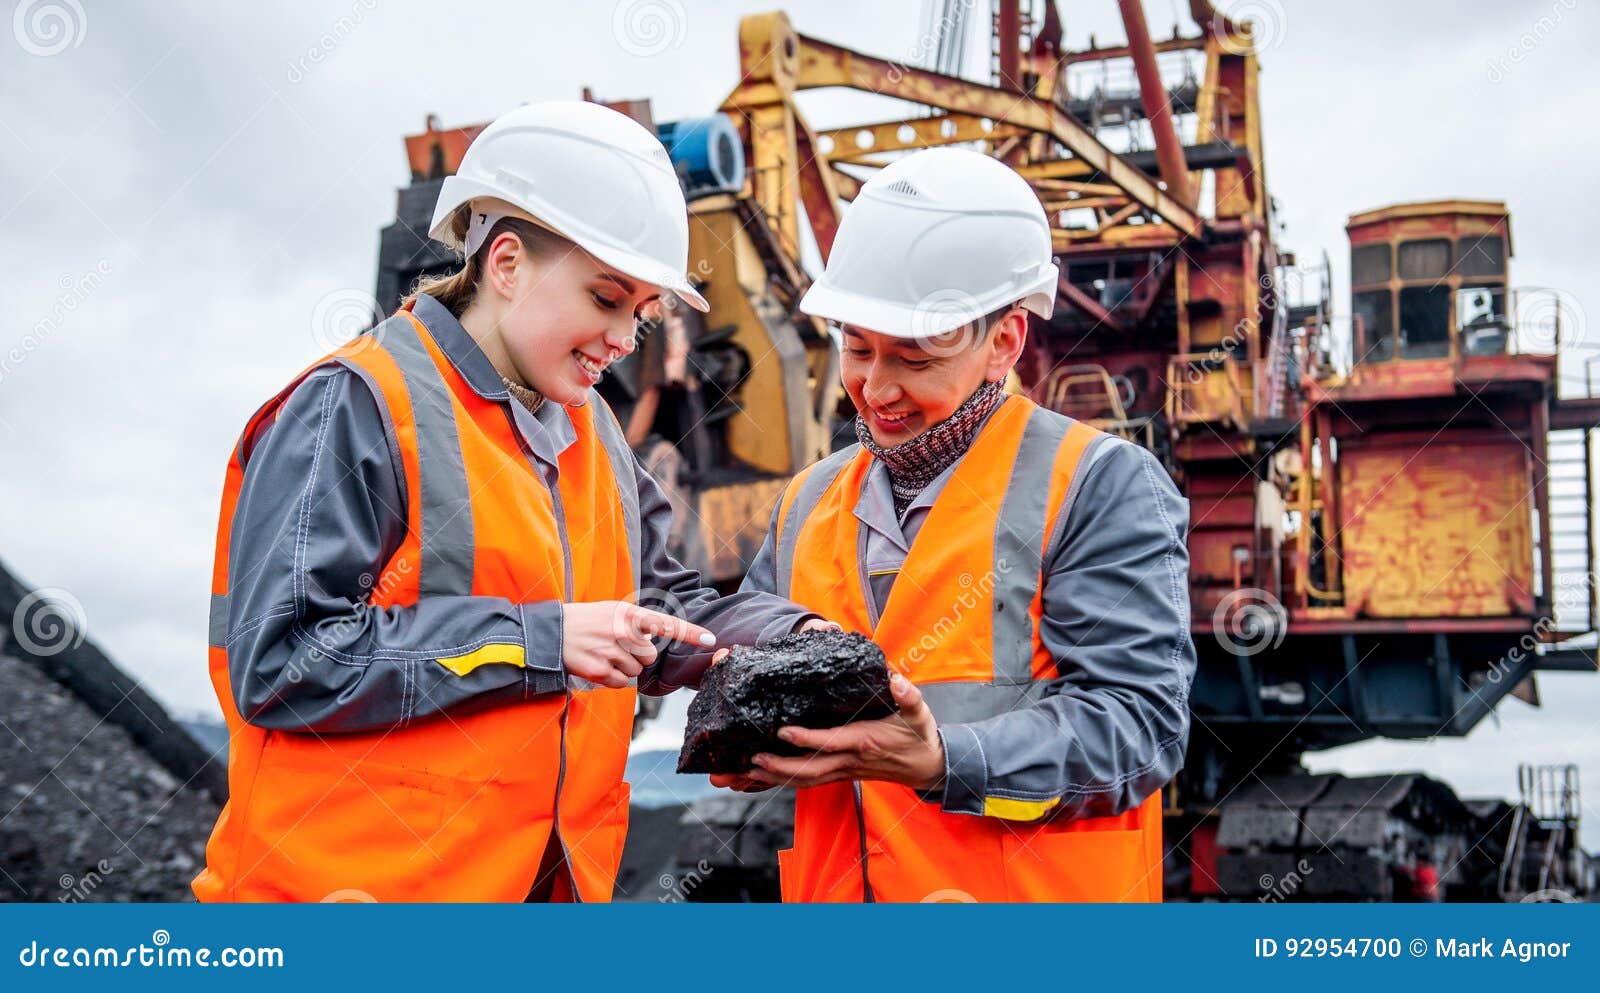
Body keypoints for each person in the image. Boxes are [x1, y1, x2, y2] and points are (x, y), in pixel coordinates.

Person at [194, 102, 820, 903]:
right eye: (606, 298)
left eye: (640, 313)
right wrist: (544, 641)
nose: (626, 338)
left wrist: (789, 638)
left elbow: (665, 607)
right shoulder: (354, 404)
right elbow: (284, 660)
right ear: (508, 262)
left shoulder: (591, 432)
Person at [716, 148, 1197, 902]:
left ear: (1003, 343)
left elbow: (1140, 729)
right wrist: (746, 728)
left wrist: (945, 759)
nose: (876, 389)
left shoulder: (1099, 485)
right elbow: (742, 625)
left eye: (912, 356)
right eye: (857, 348)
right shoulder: (808, 501)